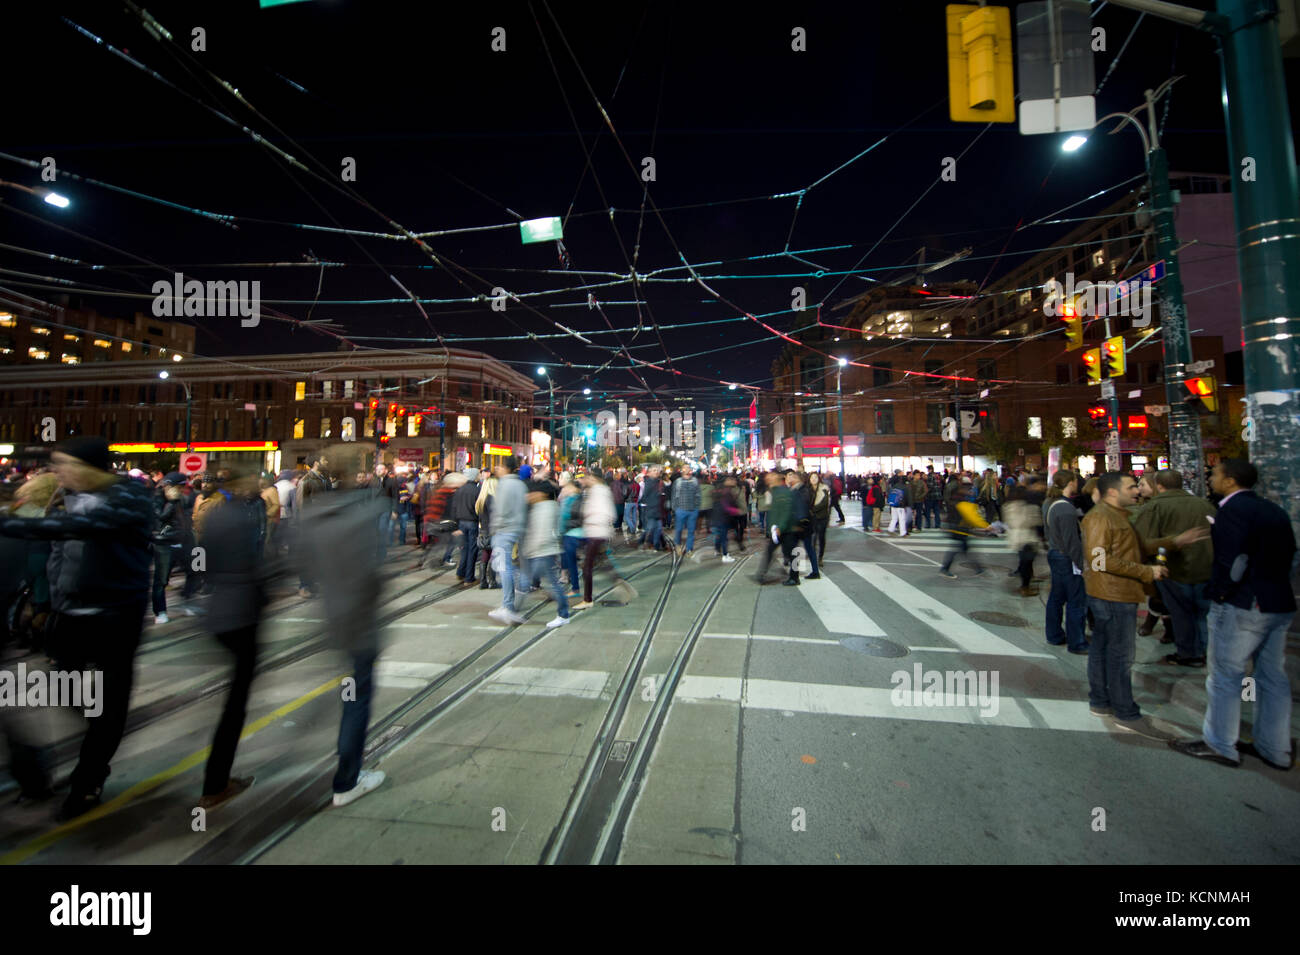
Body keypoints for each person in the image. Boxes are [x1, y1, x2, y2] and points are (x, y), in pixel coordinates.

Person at [0, 437, 154, 821]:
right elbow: (56, 554)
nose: (58, 473)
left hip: (116, 616)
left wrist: (11, 522)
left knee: (109, 705)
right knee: (70, 693)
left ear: (91, 467)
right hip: (70, 617)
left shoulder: (130, 496)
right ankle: (99, 736)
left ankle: (87, 781)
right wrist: (47, 602)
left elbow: (88, 527)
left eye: (65, 464)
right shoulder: (65, 498)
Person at [1171, 459, 1297, 769]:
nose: (1210, 478)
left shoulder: (1232, 511)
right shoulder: (1273, 510)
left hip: (1244, 604)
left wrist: (1223, 593)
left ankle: (1220, 744)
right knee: (1272, 677)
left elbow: (1233, 561)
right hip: (1278, 602)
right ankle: (1275, 748)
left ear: (1230, 481)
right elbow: (1291, 555)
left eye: (1215, 474)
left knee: (1226, 677)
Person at [1080, 472, 1207, 741]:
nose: (1137, 490)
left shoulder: (1116, 515)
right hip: (1112, 595)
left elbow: (1134, 548)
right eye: (1131, 487)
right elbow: (1101, 561)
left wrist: (1173, 542)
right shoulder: (1102, 517)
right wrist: (1147, 572)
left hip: (1115, 593)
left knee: (1106, 651)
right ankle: (1125, 712)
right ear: (1113, 492)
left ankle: (1102, 702)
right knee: (1119, 656)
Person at [298, 448, 388, 807]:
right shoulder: (364, 514)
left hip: (331, 617)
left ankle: (344, 768)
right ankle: (347, 780)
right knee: (356, 699)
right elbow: (373, 574)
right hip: (360, 622)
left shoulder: (314, 515)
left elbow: (302, 562)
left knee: (346, 693)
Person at [197, 468, 268, 810]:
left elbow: (204, 561)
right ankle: (216, 783)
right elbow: (256, 563)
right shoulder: (241, 518)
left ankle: (216, 780)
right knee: (235, 703)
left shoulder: (215, 515)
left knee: (231, 699)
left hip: (218, 612)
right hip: (241, 614)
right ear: (240, 485)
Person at [1129, 469, 1216, 667]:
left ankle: (1189, 654)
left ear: (1159, 485)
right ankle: (1205, 652)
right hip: (1205, 568)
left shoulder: (1155, 507)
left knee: (1181, 613)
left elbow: (1142, 542)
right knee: (1202, 614)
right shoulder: (1204, 504)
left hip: (1173, 570)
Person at [1042, 470, 1089, 654]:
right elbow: (1072, 542)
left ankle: (1054, 635)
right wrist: (1082, 565)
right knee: (1076, 600)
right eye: (1076, 480)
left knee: (1056, 597)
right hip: (1066, 557)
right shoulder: (1066, 508)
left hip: (1055, 554)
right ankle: (1077, 642)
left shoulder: (1049, 503)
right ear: (1071, 482)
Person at [522, 479, 570, 627]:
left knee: (529, 581)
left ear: (541, 494)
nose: (529, 495)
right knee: (545, 582)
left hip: (543, 551)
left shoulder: (546, 508)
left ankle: (563, 614)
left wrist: (531, 549)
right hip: (541, 551)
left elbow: (543, 533)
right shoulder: (543, 506)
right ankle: (563, 613)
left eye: (532, 493)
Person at [487, 455, 527, 625]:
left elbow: (500, 510)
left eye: (500, 466)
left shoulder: (504, 485)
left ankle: (508, 606)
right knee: (507, 567)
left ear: (506, 468)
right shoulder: (521, 484)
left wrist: (495, 528)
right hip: (517, 528)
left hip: (503, 531)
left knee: (504, 568)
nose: (497, 469)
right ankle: (521, 588)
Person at [150, 474, 189, 624]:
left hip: (178, 540)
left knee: (195, 569)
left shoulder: (178, 499)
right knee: (161, 579)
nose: (182, 490)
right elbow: (160, 518)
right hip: (164, 542)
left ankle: (187, 599)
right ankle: (160, 611)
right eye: (180, 487)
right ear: (171, 485)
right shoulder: (160, 497)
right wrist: (172, 502)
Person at [939, 476, 990, 578]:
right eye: (969, 489)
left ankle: (978, 569)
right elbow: (972, 517)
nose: (971, 491)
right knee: (960, 550)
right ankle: (945, 569)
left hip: (956, 527)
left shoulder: (956, 498)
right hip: (959, 529)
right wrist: (986, 526)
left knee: (962, 549)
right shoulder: (962, 501)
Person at [1003, 485, 1041, 597]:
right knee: (1026, 564)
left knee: (1025, 563)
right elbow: (1031, 522)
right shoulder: (1023, 507)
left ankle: (1026, 584)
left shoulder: (1008, 506)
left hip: (1018, 538)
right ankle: (1025, 587)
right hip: (1025, 539)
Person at [449, 467, 481, 585]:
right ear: (474, 476)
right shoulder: (477, 491)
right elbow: (479, 509)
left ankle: (460, 572)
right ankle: (469, 577)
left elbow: (454, 507)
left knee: (464, 549)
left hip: (461, 523)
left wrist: (455, 526)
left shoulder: (460, 490)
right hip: (472, 523)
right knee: (472, 551)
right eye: (478, 475)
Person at [671, 466, 701, 557]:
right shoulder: (678, 482)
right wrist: (675, 508)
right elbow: (674, 495)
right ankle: (678, 545)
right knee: (679, 529)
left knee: (691, 531)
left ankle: (689, 549)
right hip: (681, 510)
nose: (687, 470)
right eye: (685, 468)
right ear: (682, 470)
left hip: (692, 510)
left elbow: (698, 495)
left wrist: (697, 508)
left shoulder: (695, 481)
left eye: (688, 468)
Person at [639, 465, 665, 551]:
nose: (656, 472)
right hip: (651, 510)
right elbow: (645, 496)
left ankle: (656, 545)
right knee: (650, 528)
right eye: (654, 470)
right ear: (649, 473)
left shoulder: (658, 482)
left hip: (658, 510)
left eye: (657, 470)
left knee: (657, 528)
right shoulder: (649, 482)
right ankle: (644, 542)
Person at [808, 471, 831, 565]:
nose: (813, 479)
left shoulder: (824, 489)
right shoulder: (807, 490)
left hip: (822, 517)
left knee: (821, 537)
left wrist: (812, 509)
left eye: (815, 477)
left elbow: (824, 503)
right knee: (812, 537)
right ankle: (813, 556)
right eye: (812, 478)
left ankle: (820, 557)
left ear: (819, 479)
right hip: (811, 518)